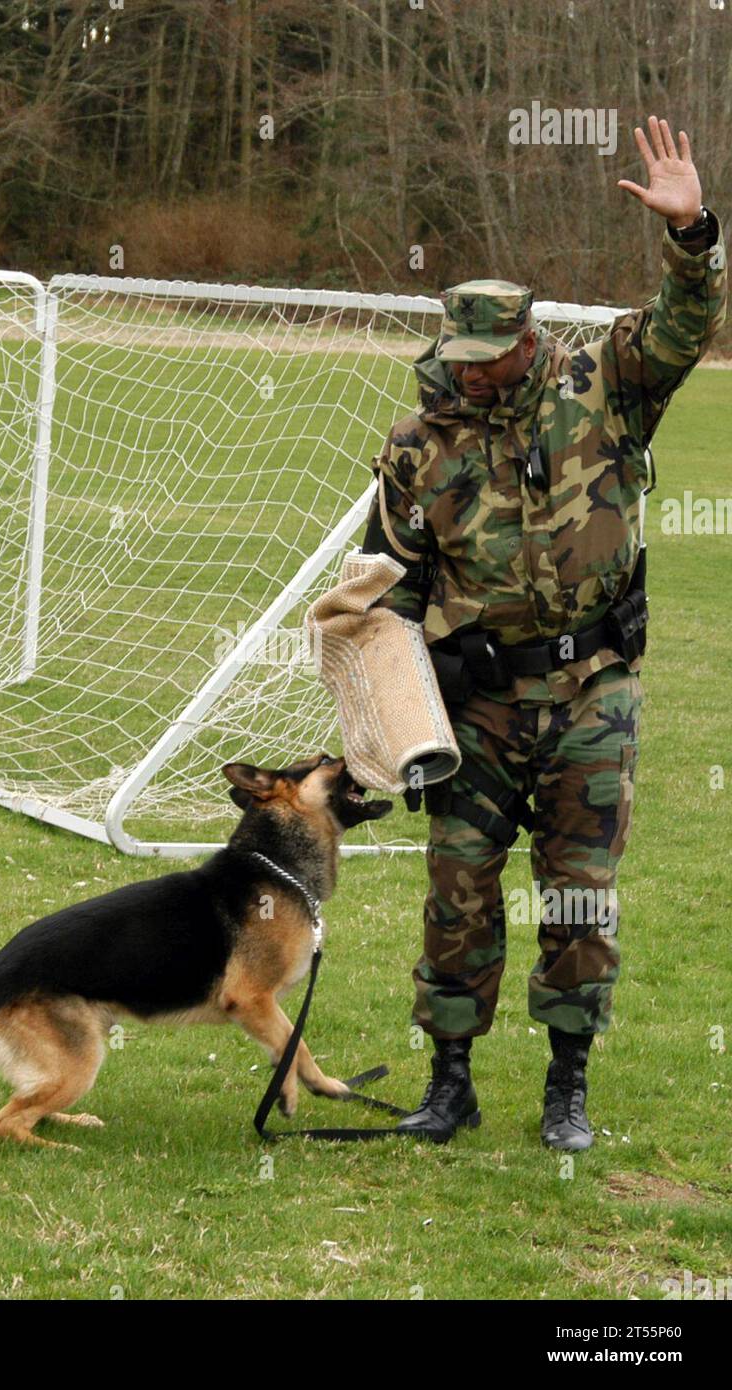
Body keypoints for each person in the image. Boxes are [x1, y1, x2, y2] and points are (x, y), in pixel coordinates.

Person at [360, 116, 727, 1150]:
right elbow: (382, 592)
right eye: (459, 361)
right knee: (457, 891)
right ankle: (450, 1081)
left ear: (529, 341)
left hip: (591, 689)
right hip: (474, 702)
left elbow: (684, 323)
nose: (473, 376)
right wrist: (406, 720)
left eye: (491, 359)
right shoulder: (416, 446)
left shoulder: (602, 382)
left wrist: (691, 231)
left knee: (576, 898)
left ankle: (566, 1086)